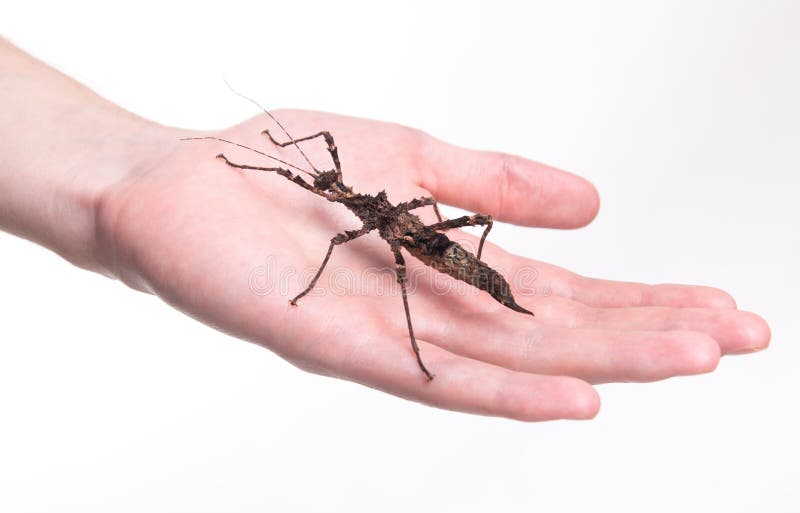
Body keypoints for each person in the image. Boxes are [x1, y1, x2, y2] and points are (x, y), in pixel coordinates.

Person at [0, 37, 770, 421]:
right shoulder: (348, 198)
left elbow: (339, 206)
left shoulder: (367, 218)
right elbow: (313, 178)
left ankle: (459, 306)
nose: (322, 187)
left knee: (400, 261)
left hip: (430, 247)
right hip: (409, 231)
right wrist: (157, 172)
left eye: (325, 183)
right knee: (370, 238)